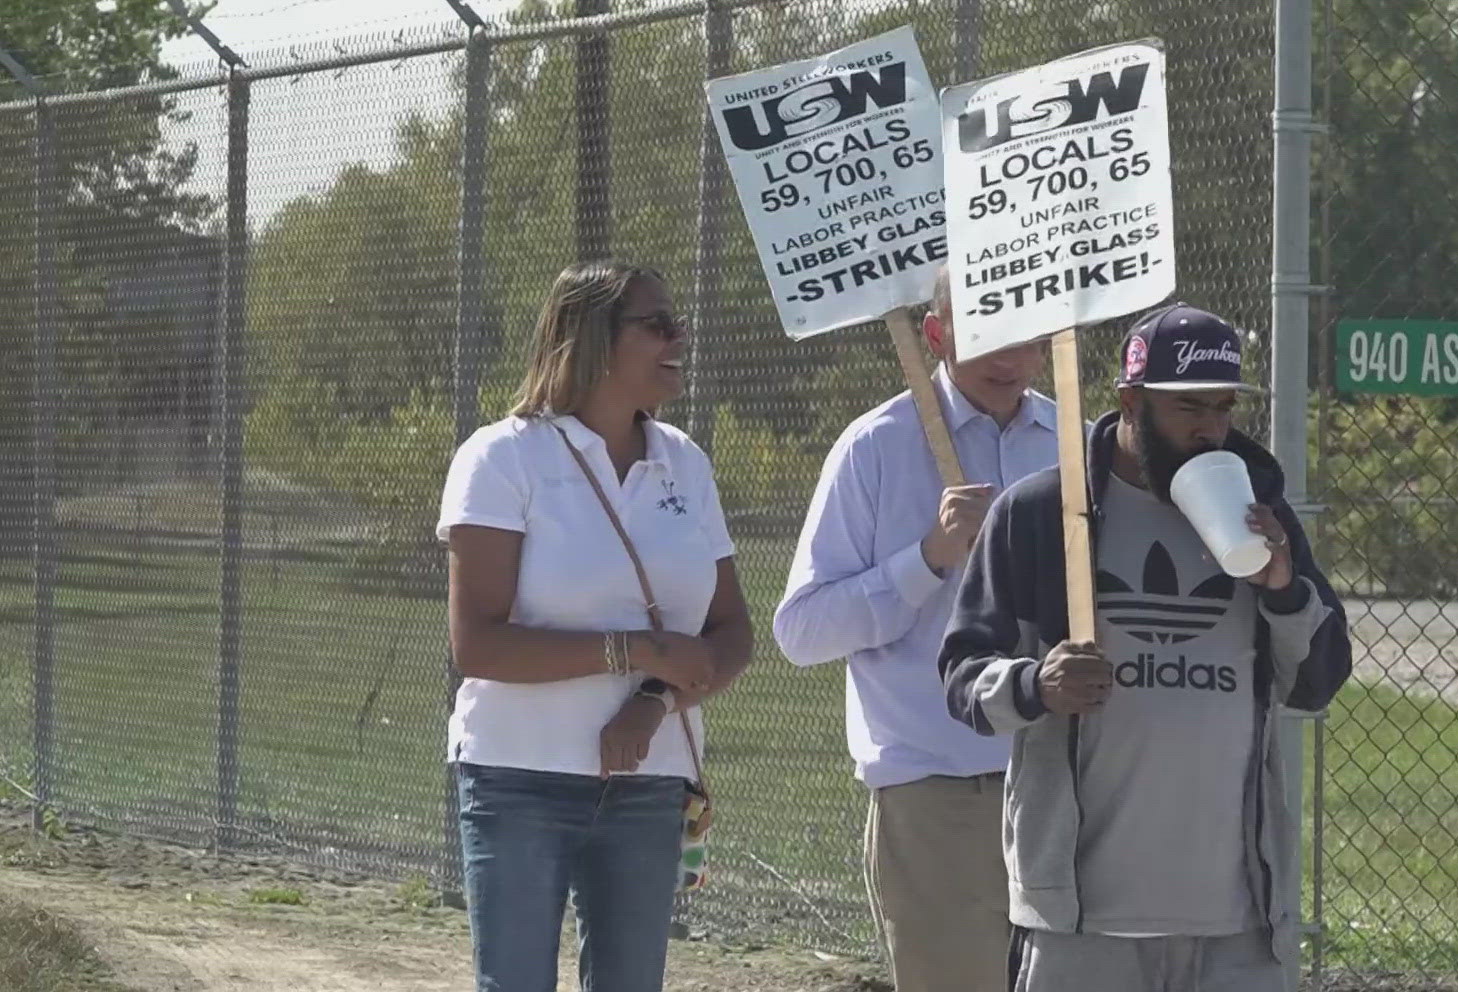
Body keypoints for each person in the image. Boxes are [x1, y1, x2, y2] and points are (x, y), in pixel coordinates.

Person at [939, 302, 1351, 992]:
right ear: (1130, 401)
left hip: (1238, 921)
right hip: (1080, 921)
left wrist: (1282, 587)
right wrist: (1037, 684)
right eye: (1189, 407)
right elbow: (962, 678)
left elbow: (1316, 682)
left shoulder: (1262, 512)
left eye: (1223, 408)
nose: (1211, 429)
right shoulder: (1042, 513)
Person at [436, 262, 753, 992]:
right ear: (590, 340)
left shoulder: (687, 464)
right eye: (657, 325)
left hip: (650, 784)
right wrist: (635, 651)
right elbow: (477, 644)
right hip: (519, 779)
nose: (680, 336)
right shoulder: (502, 456)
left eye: (677, 322)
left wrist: (654, 700)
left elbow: (731, 632)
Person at [773, 266, 1053, 992]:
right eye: (987, 326)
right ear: (936, 332)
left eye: (1026, 330)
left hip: (1065, 785)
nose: (1009, 355)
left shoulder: (1075, 447)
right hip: (937, 795)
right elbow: (803, 631)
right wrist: (927, 558)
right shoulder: (875, 448)